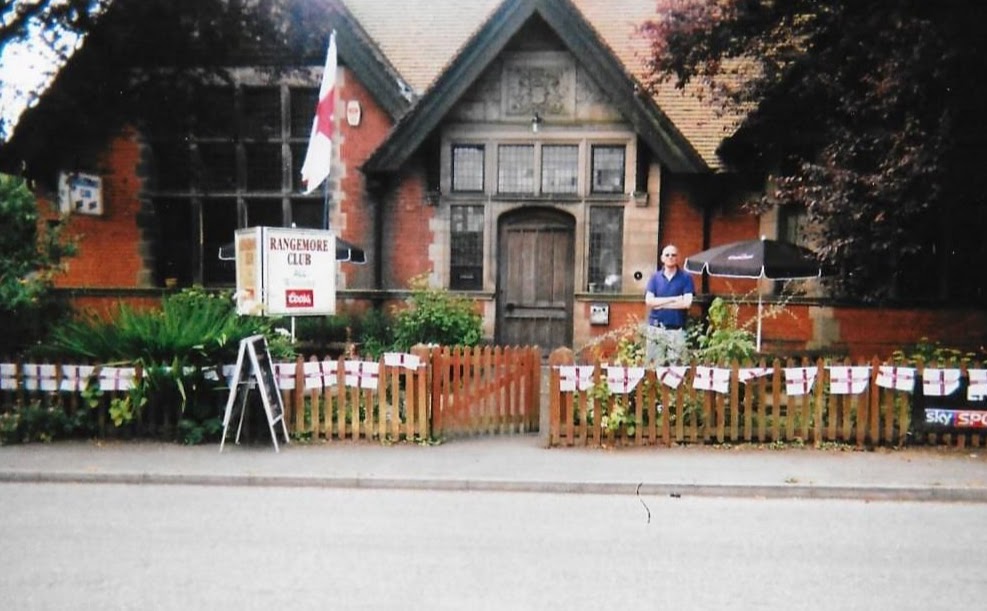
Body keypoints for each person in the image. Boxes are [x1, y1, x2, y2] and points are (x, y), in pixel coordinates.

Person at [644, 244, 694, 365]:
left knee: (677, 369)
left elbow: (687, 303)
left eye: (673, 255)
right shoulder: (654, 278)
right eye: (667, 255)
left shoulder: (686, 278)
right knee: (654, 367)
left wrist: (660, 303)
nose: (670, 257)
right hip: (656, 329)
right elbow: (649, 301)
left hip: (676, 330)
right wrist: (674, 299)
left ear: (678, 258)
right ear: (662, 258)